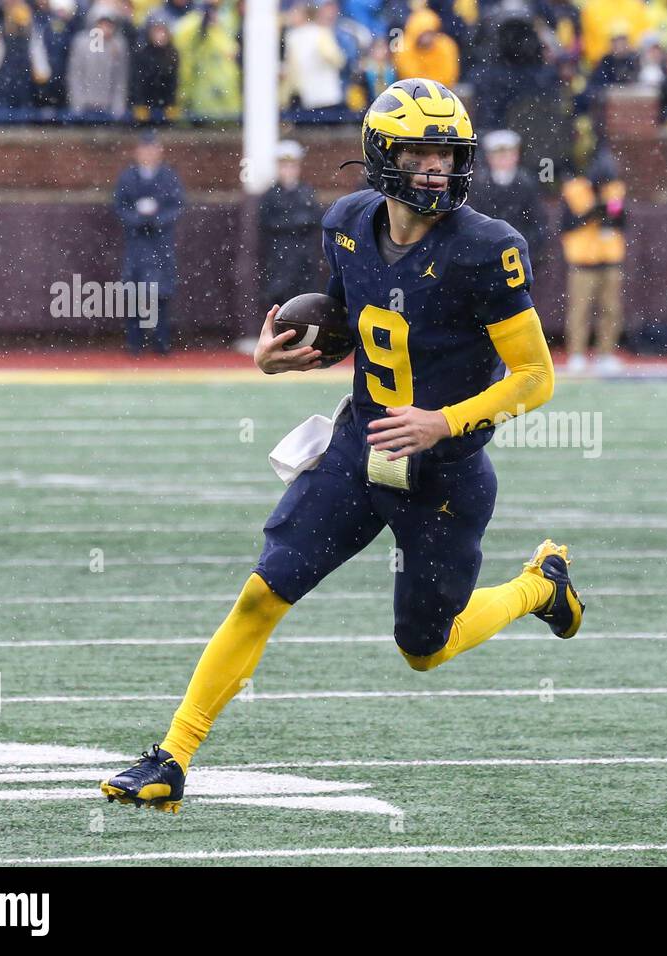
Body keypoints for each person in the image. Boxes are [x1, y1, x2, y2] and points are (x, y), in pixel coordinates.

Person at [99, 79, 582, 812]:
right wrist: (281, 357)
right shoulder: (348, 223)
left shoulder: (488, 250)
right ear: (382, 155)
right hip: (359, 451)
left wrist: (442, 421)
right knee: (263, 593)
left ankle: (539, 586)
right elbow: (354, 326)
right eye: (419, 153)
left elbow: (536, 378)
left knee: (425, 650)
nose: (435, 170)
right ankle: (172, 758)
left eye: (446, 155)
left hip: (443, 475)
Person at [112, 132, 184, 355]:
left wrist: (156, 220)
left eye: (153, 149)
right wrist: (138, 220)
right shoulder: (128, 177)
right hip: (137, 245)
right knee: (134, 294)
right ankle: (135, 343)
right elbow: (120, 207)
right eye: (145, 150)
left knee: (161, 295)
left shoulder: (169, 177)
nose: (149, 154)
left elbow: (177, 206)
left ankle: (161, 342)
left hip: (160, 245)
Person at [559, 150, 628, 374]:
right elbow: (569, 224)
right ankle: (577, 354)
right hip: (583, 262)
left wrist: (609, 209)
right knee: (580, 310)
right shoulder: (575, 191)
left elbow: (622, 221)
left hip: (609, 260)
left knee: (611, 309)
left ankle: (605, 353)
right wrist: (593, 212)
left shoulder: (615, 192)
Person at [257, 140, 323, 308]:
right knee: (280, 301)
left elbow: (316, 217)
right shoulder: (271, 195)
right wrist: (295, 222)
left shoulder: (306, 191)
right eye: (284, 166)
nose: (289, 171)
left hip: (304, 258)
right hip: (280, 259)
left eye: (293, 166)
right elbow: (267, 222)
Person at [469, 129, 545, 262]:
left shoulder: (526, 184)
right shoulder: (479, 184)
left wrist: (526, 252)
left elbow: (537, 224)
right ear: (489, 157)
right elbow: (473, 222)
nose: (503, 160)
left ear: (517, 155)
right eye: (498, 155)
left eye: (508, 154)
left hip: (520, 254)